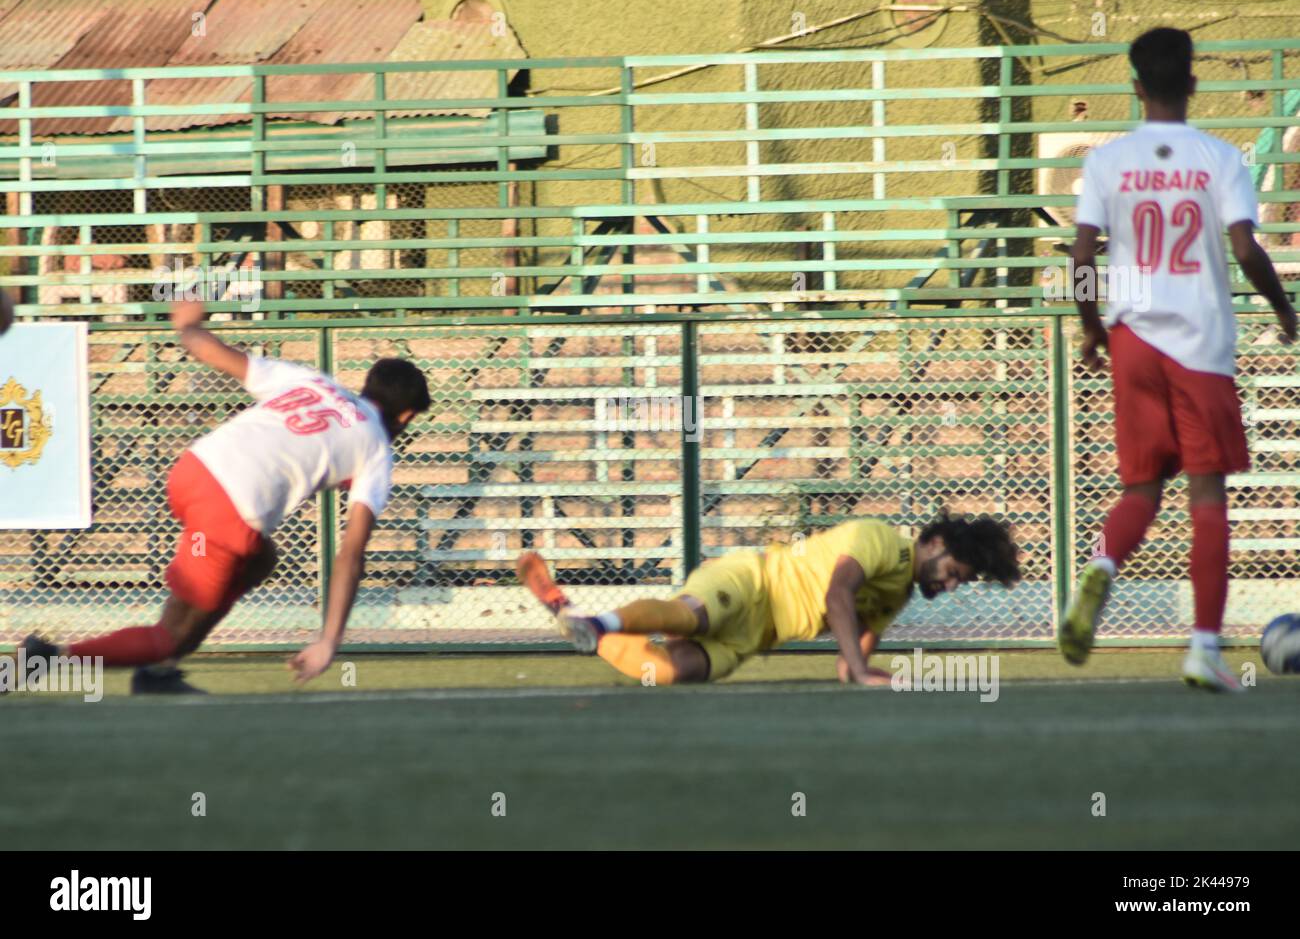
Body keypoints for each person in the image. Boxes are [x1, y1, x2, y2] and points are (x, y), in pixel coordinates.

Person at [22, 298, 431, 693]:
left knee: (260, 560)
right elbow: (351, 555)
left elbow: (209, 350)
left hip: (192, 471)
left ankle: (163, 667)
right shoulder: (376, 447)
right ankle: (53, 658)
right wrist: (329, 640)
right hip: (225, 511)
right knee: (171, 634)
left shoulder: (314, 382)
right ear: (406, 416)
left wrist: (187, 324)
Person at [1062, 27, 1298, 691]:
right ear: (1193, 83)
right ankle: (1202, 649)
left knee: (1141, 489)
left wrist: (1092, 329)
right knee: (1206, 494)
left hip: (1133, 337)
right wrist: (1283, 309)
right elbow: (1246, 251)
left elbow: (1080, 258)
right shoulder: (1219, 158)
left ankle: (1100, 568)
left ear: (1136, 87)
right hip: (1199, 341)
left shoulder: (1106, 163)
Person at [518, 512, 1020, 685]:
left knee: (670, 671)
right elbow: (837, 595)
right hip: (753, 582)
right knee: (685, 618)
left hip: (755, 636)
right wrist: (860, 668)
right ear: (934, 544)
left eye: (959, 583)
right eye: (953, 574)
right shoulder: (881, 541)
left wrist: (895, 680)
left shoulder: (898, 595)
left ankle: (570, 613)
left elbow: (851, 668)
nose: (949, 587)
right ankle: (599, 624)